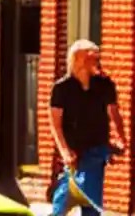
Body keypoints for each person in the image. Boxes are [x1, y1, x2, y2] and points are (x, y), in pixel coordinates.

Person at [50, 39, 126, 216]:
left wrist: (121, 138)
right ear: (78, 60)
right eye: (92, 58)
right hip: (73, 152)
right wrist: (64, 151)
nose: (97, 62)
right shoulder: (62, 88)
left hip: (96, 149)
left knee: (91, 199)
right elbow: (56, 124)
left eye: (98, 58)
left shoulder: (105, 85)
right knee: (62, 201)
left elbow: (114, 113)